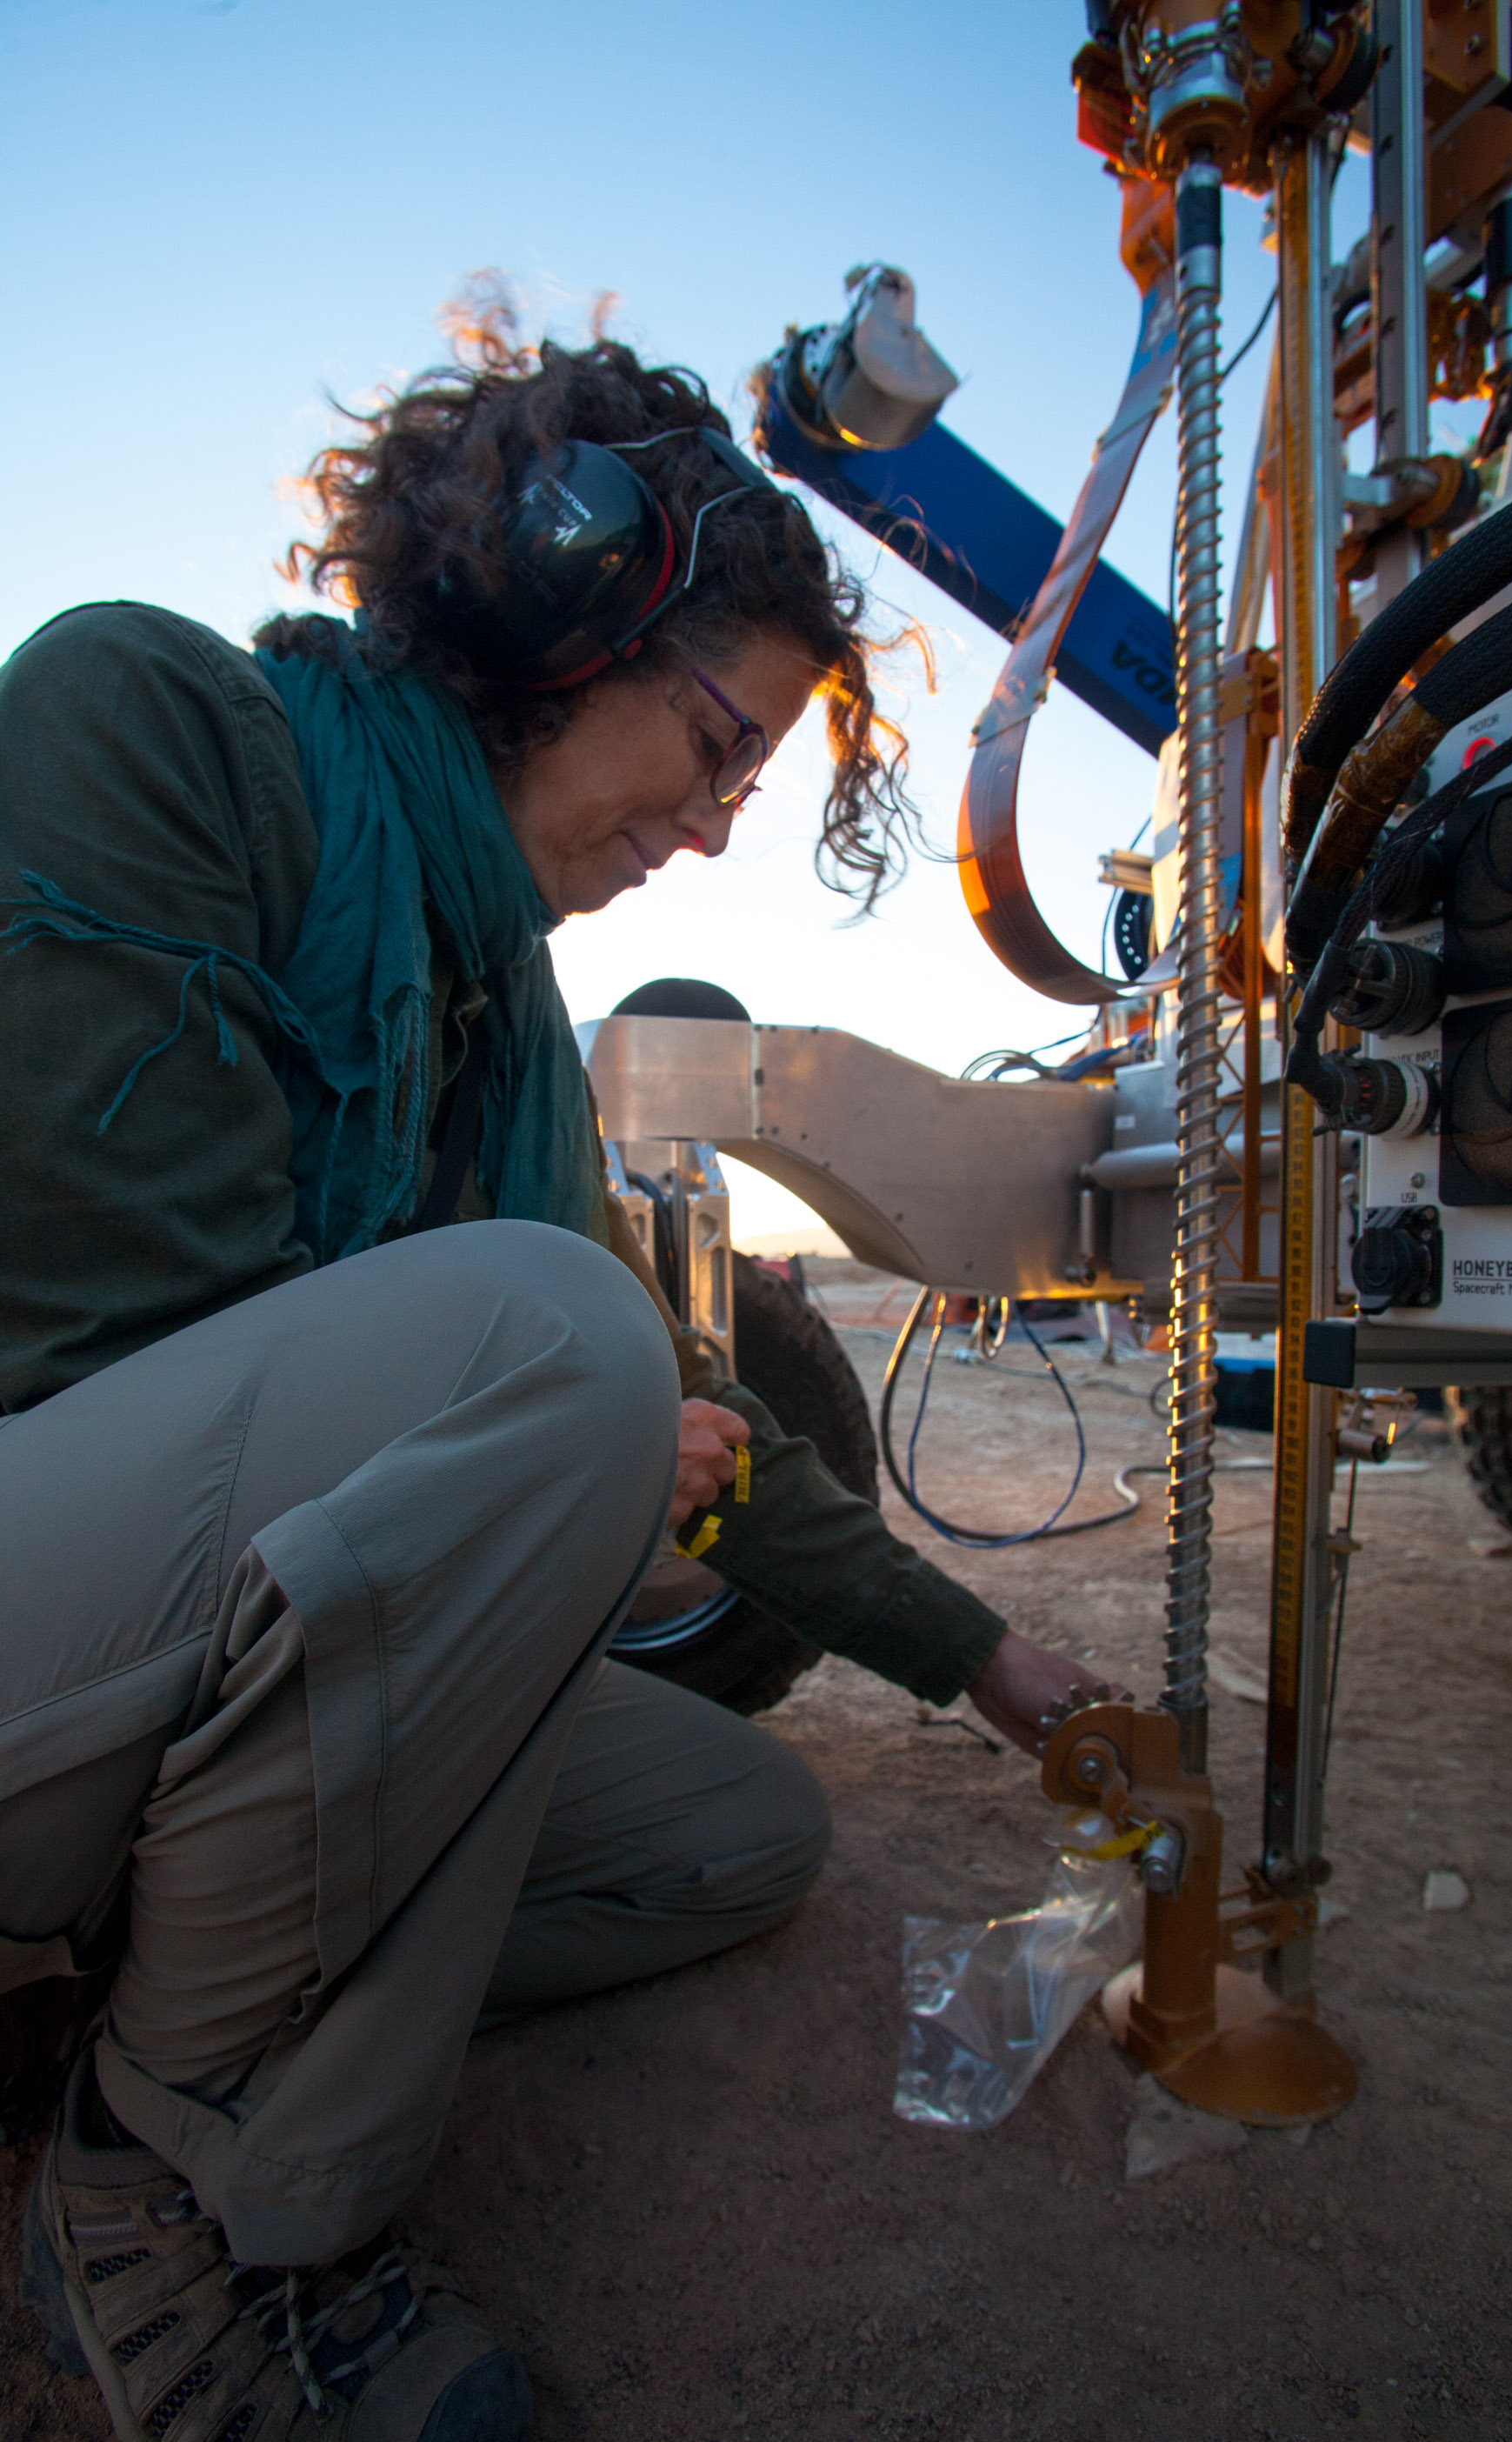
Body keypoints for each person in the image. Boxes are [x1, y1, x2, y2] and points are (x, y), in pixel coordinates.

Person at [0, 304, 1110, 2440]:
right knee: (555, 1346)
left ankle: (113, 2003)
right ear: (553, 611)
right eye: (712, 751)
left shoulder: (496, 1010)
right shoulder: (149, 727)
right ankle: (163, 2198)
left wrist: (984, 1662)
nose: (710, 831)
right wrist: (557, 1427)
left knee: (725, 1830)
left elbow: (665, 1395)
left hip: (168, 1670)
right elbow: (91, 1360)